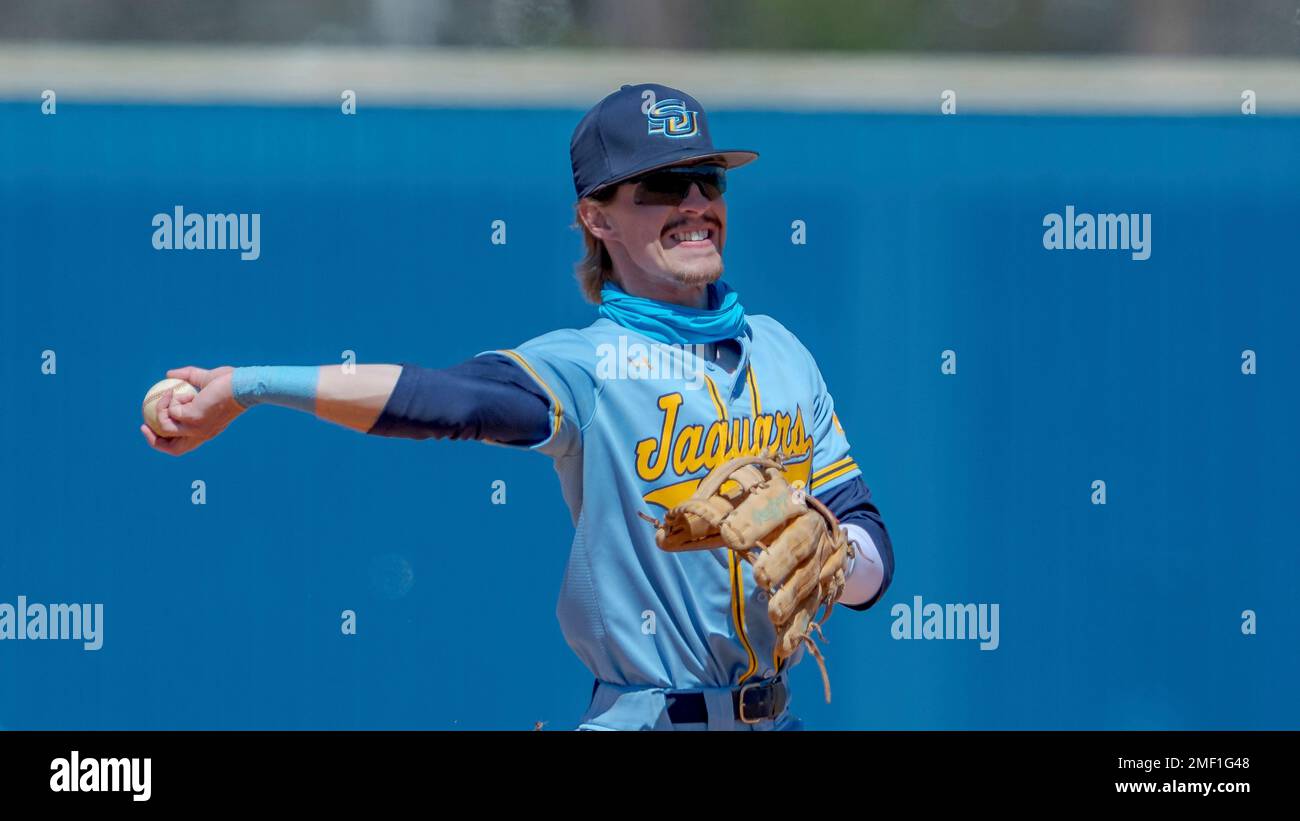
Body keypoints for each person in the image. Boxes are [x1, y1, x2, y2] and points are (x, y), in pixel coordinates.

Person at [140, 83, 894, 731]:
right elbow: (448, 400)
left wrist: (835, 550)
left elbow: (872, 551)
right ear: (597, 218)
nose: (695, 202)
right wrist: (253, 384)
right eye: (661, 186)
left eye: (707, 177)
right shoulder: (587, 364)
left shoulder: (782, 351)